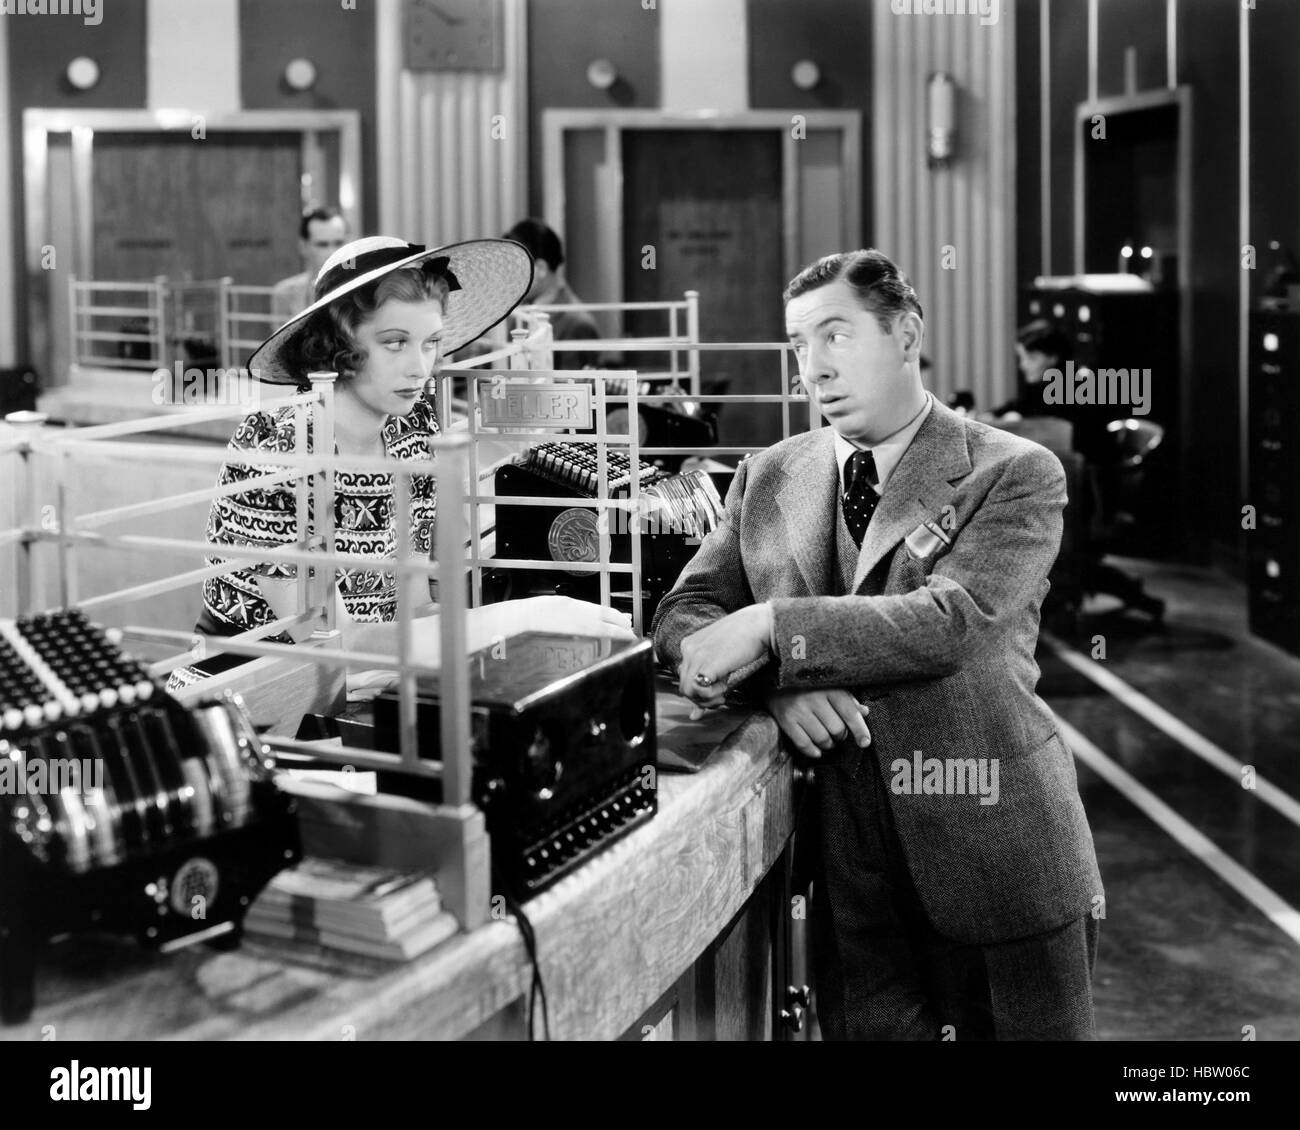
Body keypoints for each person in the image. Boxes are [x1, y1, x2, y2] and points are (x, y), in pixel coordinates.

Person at [652, 250, 1104, 1040]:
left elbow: (949, 624)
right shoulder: (767, 476)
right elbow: (684, 611)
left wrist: (772, 627)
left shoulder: (1013, 472)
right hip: (849, 887)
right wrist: (774, 684)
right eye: (798, 344)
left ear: (906, 335)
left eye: (836, 335)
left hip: (997, 858)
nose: (814, 367)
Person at [172, 234, 627, 689]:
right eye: (395, 343)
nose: (420, 368)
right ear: (339, 343)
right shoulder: (276, 449)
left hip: (358, 695)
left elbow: (414, 608)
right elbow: (332, 638)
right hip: (243, 705)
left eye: (430, 343)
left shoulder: (412, 432)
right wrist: (524, 619)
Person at [501, 217, 601, 368]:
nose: (508, 278)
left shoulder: (577, 324)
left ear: (540, 269)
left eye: (514, 269)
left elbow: (573, 389)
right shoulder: (520, 313)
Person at [270, 207, 349, 325]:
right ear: (303, 246)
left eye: (338, 243)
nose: (332, 252)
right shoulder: (285, 293)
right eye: (322, 245)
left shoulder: (365, 288)